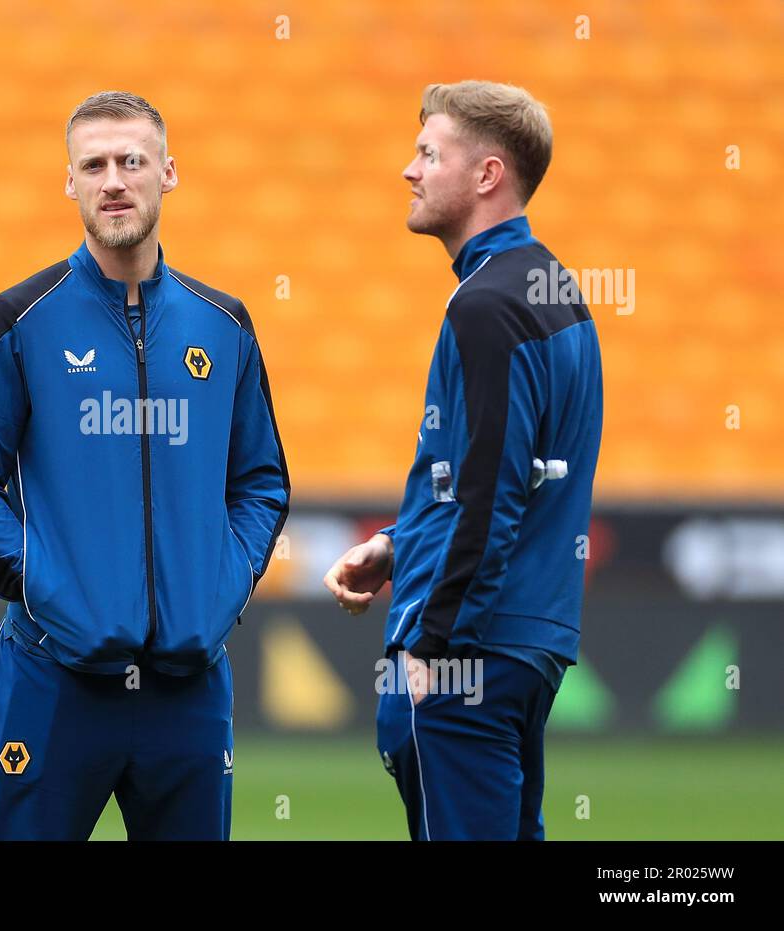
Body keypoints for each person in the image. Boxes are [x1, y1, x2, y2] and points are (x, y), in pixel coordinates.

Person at [0, 91, 289, 840]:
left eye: (132, 161)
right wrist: (43, 584)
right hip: (54, 678)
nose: (113, 180)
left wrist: (218, 589)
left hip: (188, 689)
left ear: (169, 173)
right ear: (69, 182)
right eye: (93, 164)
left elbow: (262, 482)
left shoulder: (223, 323)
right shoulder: (20, 318)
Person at [323, 81, 603, 840]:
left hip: (469, 653)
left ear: (486, 176)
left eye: (426, 152)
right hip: (525, 642)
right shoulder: (556, 290)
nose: (408, 171)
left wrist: (436, 647)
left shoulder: (487, 305)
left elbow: (493, 492)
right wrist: (397, 545)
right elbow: (507, 478)